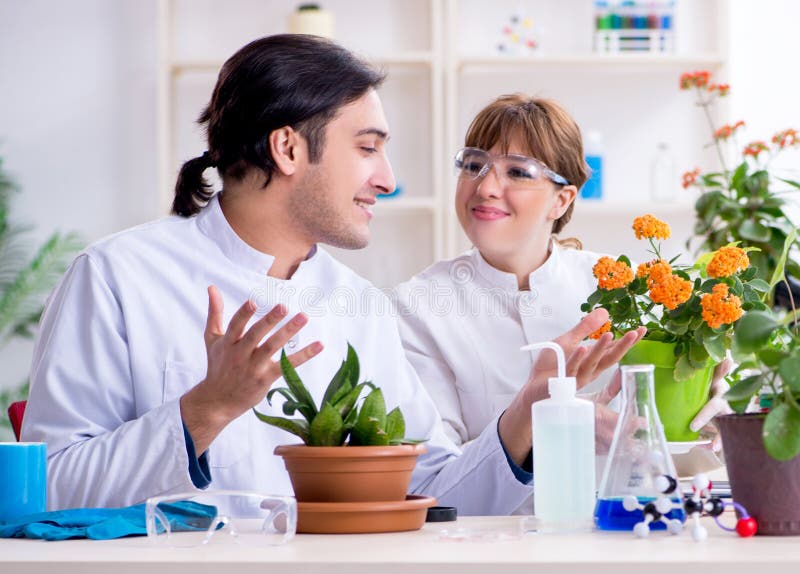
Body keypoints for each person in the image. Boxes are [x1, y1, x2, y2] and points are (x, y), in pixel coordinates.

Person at [20, 36, 639, 514]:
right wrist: (204, 410)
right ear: (288, 149)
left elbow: (431, 492)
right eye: (367, 147)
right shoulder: (117, 277)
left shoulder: (355, 304)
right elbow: (48, 490)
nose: (388, 178)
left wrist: (523, 415)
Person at [394, 95, 730, 502]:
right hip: (487, 554)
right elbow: (437, 495)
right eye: (472, 165)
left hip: (626, 543)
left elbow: (681, 465)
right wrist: (543, 421)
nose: (484, 186)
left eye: (517, 171)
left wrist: (714, 421)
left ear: (562, 199)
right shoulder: (417, 307)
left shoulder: (626, 288)